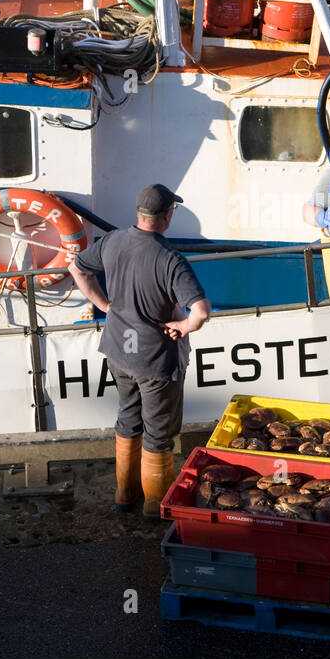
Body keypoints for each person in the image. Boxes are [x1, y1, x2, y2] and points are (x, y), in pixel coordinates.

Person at [67, 184, 212, 520]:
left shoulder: (113, 240)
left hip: (119, 351)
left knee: (128, 418)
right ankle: (153, 507)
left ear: (139, 213)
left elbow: (77, 268)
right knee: (158, 433)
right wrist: (184, 327)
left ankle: (124, 495)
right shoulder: (170, 259)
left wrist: (105, 305)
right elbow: (201, 311)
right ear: (167, 215)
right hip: (155, 360)